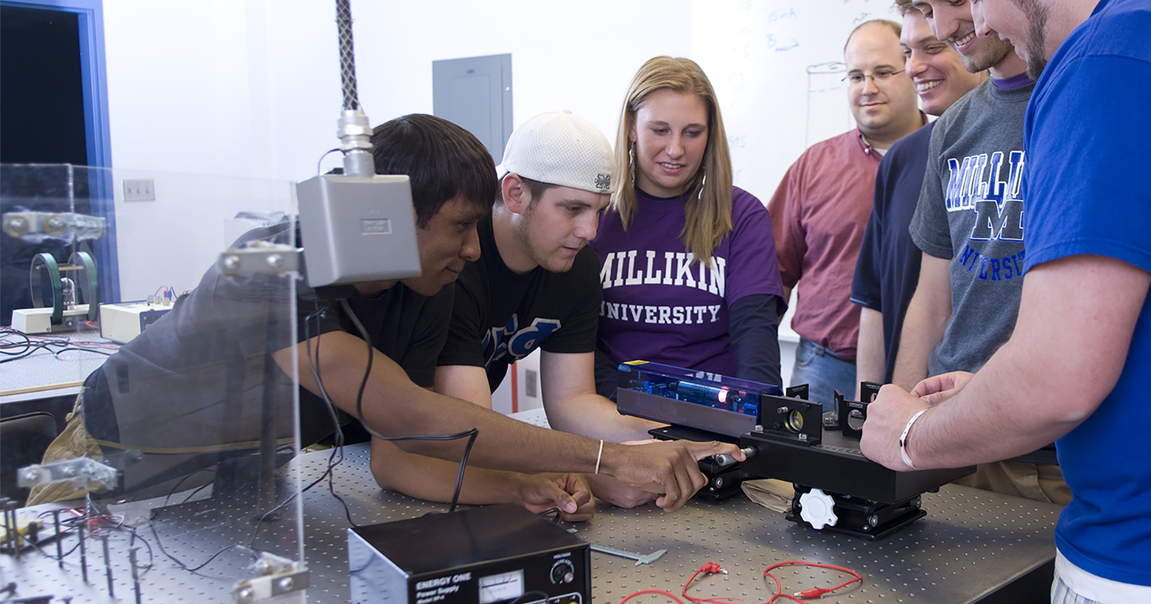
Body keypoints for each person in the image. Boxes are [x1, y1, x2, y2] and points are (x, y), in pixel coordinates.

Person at [29, 114, 741, 515]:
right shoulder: (277, 267)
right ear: (390, 217)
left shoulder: (425, 285)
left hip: (242, 471)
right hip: (115, 457)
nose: (472, 249)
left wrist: (518, 488)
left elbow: (402, 454)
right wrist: (606, 458)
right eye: (461, 228)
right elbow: (410, 416)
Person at [862, 0, 1151, 600]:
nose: (959, 25)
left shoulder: (1113, 59)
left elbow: (1059, 378)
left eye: (967, 0)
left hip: (1148, 550)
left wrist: (909, 436)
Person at [428, 110, 672, 508]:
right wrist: (603, 471)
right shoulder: (459, 262)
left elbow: (572, 400)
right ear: (515, 194)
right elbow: (470, 432)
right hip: (390, 451)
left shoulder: (578, 268)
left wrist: (666, 438)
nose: (589, 231)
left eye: (598, 210)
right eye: (572, 209)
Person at [885, 0, 1068, 505]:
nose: (944, 27)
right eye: (927, 9)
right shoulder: (952, 128)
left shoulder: (1080, 102)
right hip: (950, 440)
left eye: (958, 1)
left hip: (1054, 453)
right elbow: (932, 297)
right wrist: (901, 414)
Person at [591, 56, 784, 401]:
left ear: (710, 135)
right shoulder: (596, 213)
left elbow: (755, 340)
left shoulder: (742, 215)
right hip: (615, 412)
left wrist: (761, 423)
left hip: (714, 415)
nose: (676, 149)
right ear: (632, 128)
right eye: (660, 130)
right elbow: (580, 345)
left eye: (692, 133)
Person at [769, 20, 923, 411]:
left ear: (913, 67)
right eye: (856, 76)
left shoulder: (949, 156)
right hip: (823, 369)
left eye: (883, 72)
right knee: (811, 474)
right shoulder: (815, 165)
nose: (867, 88)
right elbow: (774, 273)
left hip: (924, 369)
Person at [851, 0, 988, 390]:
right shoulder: (901, 159)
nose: (913, 67)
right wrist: (871, 407)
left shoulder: (1029, 135)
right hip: (909, 411)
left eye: (932, 47)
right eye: (908, 53)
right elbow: (874, 301)